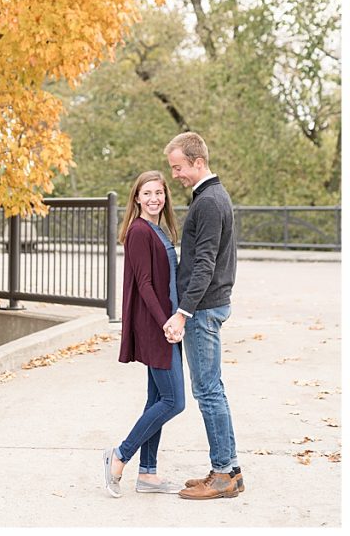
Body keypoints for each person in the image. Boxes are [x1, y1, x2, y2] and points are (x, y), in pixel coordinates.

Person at [163, 131, 242, 499]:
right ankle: (229, 469)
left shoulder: (209, 201)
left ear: (198, 162)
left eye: (178, 167)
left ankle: (223, 475)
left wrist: (183, 312)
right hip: (210, 304)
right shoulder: (210, 197)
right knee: (214, 389)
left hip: (204, 308)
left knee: (208, 391)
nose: (175, 175)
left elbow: (205, 263)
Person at [102, 171, 186, 497]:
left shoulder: (159, 229)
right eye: (147, 193)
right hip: (157, 328)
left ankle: (148, 475)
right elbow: (145, 284)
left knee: (157, 400)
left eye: (159, 193)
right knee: (174, 401)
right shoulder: (138, 231)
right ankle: (120, 455)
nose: (154, 198)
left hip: (168, 326)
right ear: (136, 197)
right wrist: (165, 322)